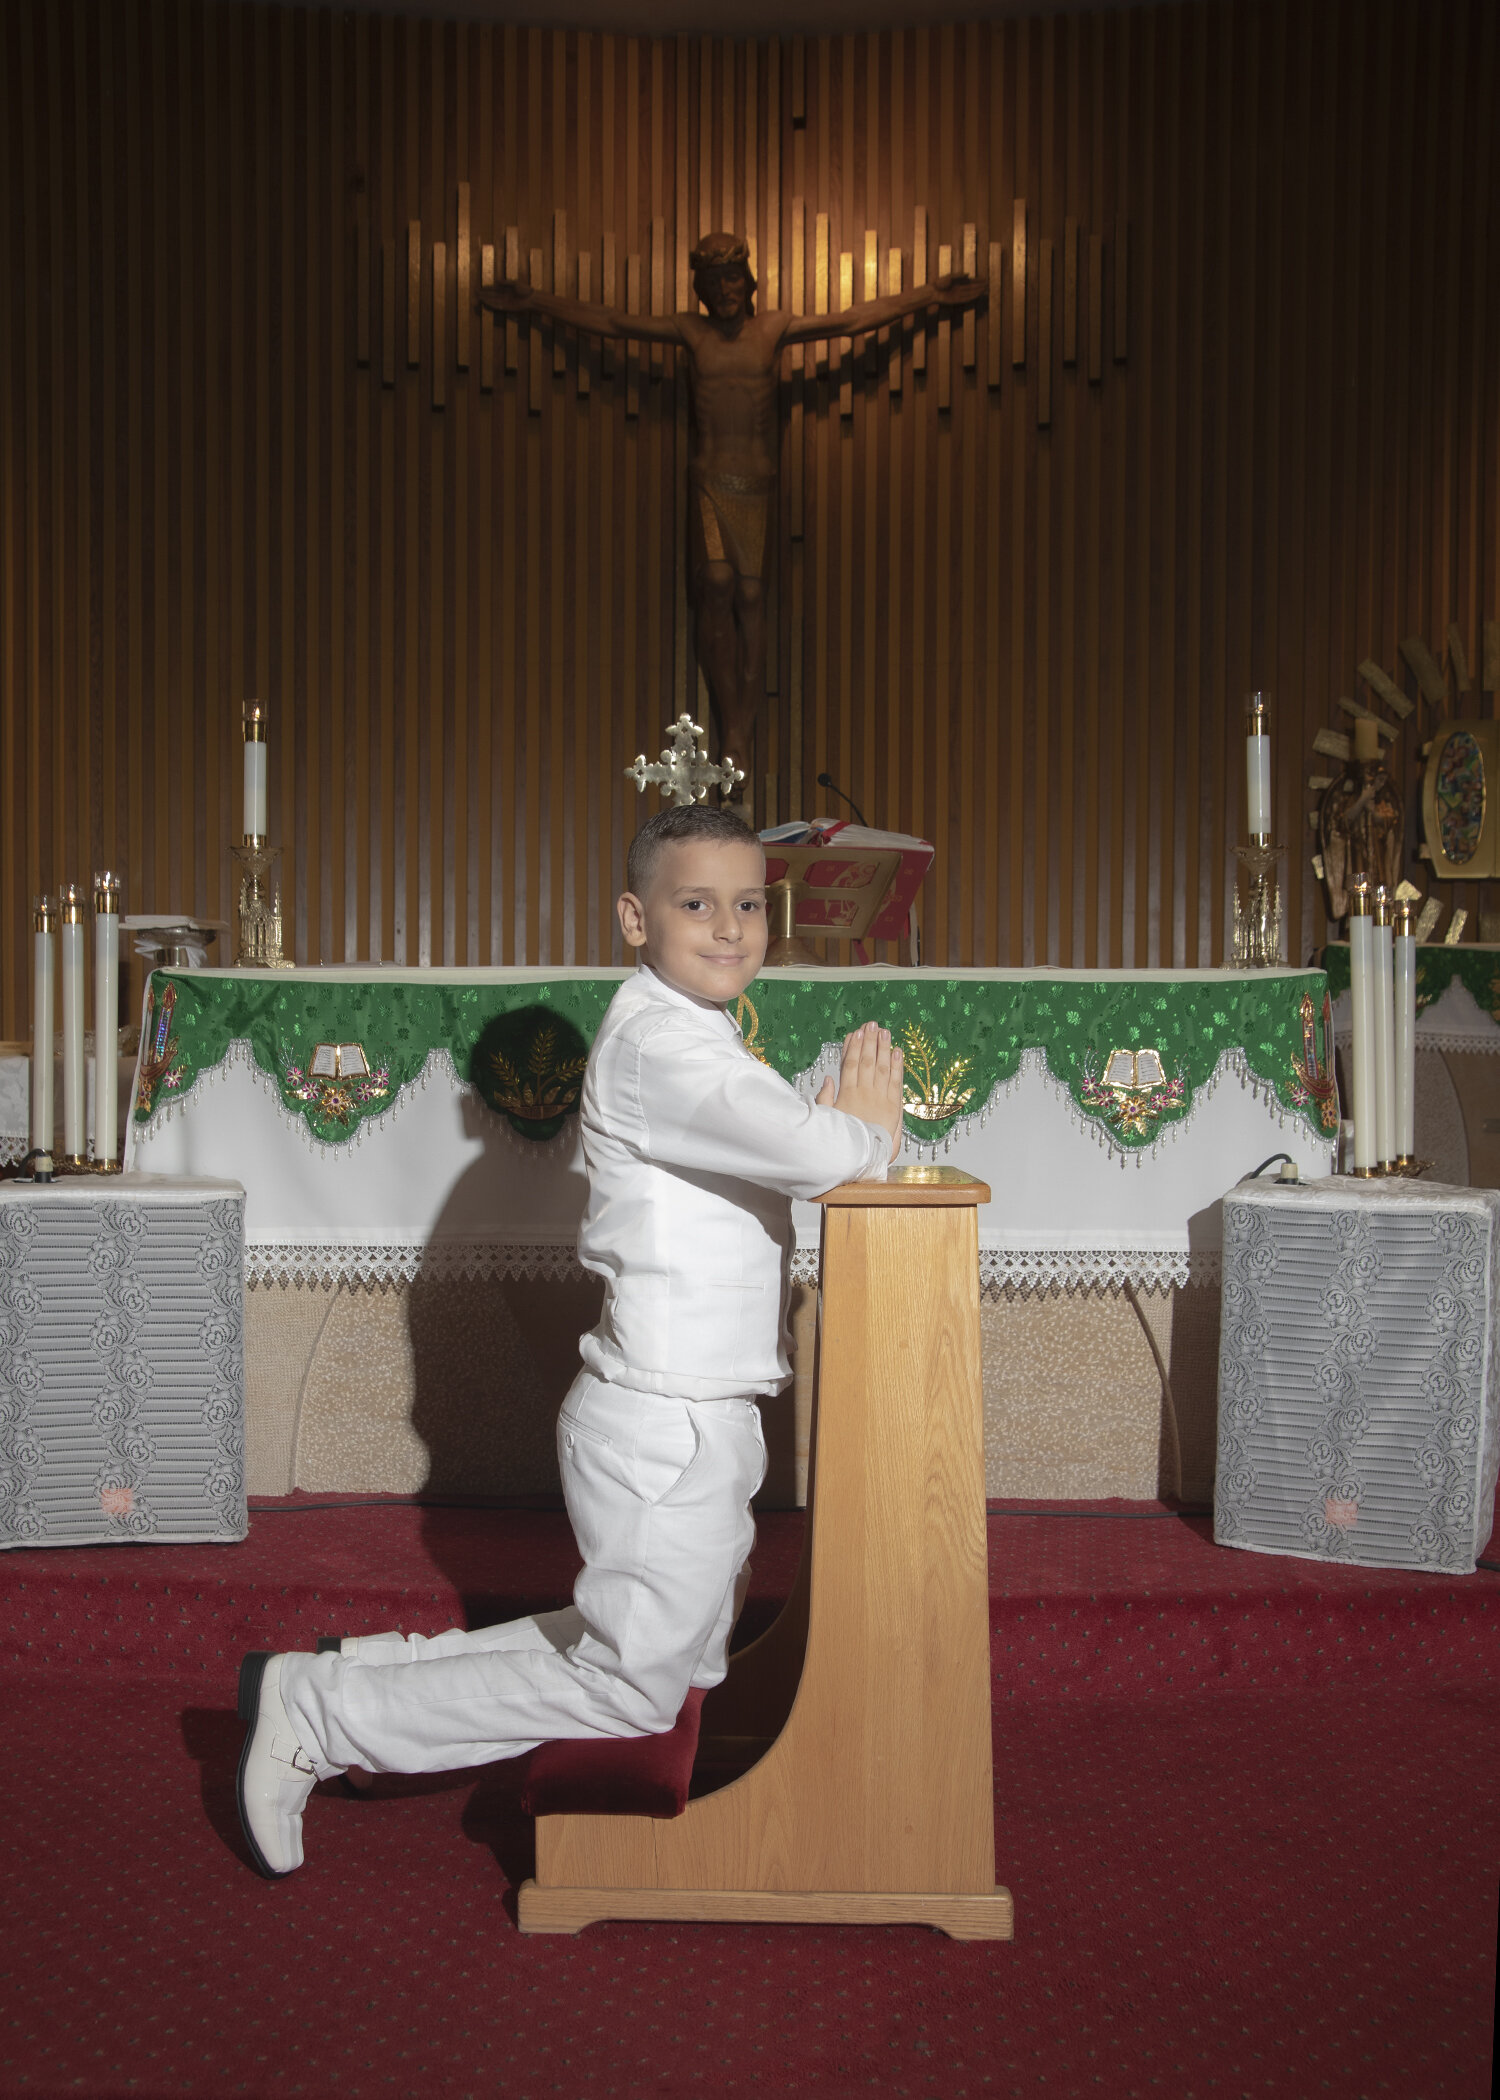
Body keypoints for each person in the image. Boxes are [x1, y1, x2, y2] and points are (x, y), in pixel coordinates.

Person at [235, 802, 905, 1877]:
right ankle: (322, 1711)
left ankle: (365, 1673)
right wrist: (865, 1129)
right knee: (631, 1683)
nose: (729, 928)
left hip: (694, 1408)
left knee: (676, 1651)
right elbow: (822, 1154)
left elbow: (788, 1142)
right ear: (636, 919)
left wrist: (834, 1131)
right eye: (698, 904)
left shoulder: (695, 1034)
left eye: (748, 905)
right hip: (665, 1420)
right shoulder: (660, 1046)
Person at [480, 232, 980, 790]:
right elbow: (615, 323)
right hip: (710, 479)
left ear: (749, 281)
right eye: (714, 281)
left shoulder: (774, 328)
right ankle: (732, 724)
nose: (725, 290)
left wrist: (930, 296)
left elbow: (850, 321)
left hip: (756, 483)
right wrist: (535, 302)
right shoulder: (690, 332)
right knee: (716, 582)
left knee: (750, 597)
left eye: (733, 278)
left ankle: (739, 728)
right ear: (701, 288)